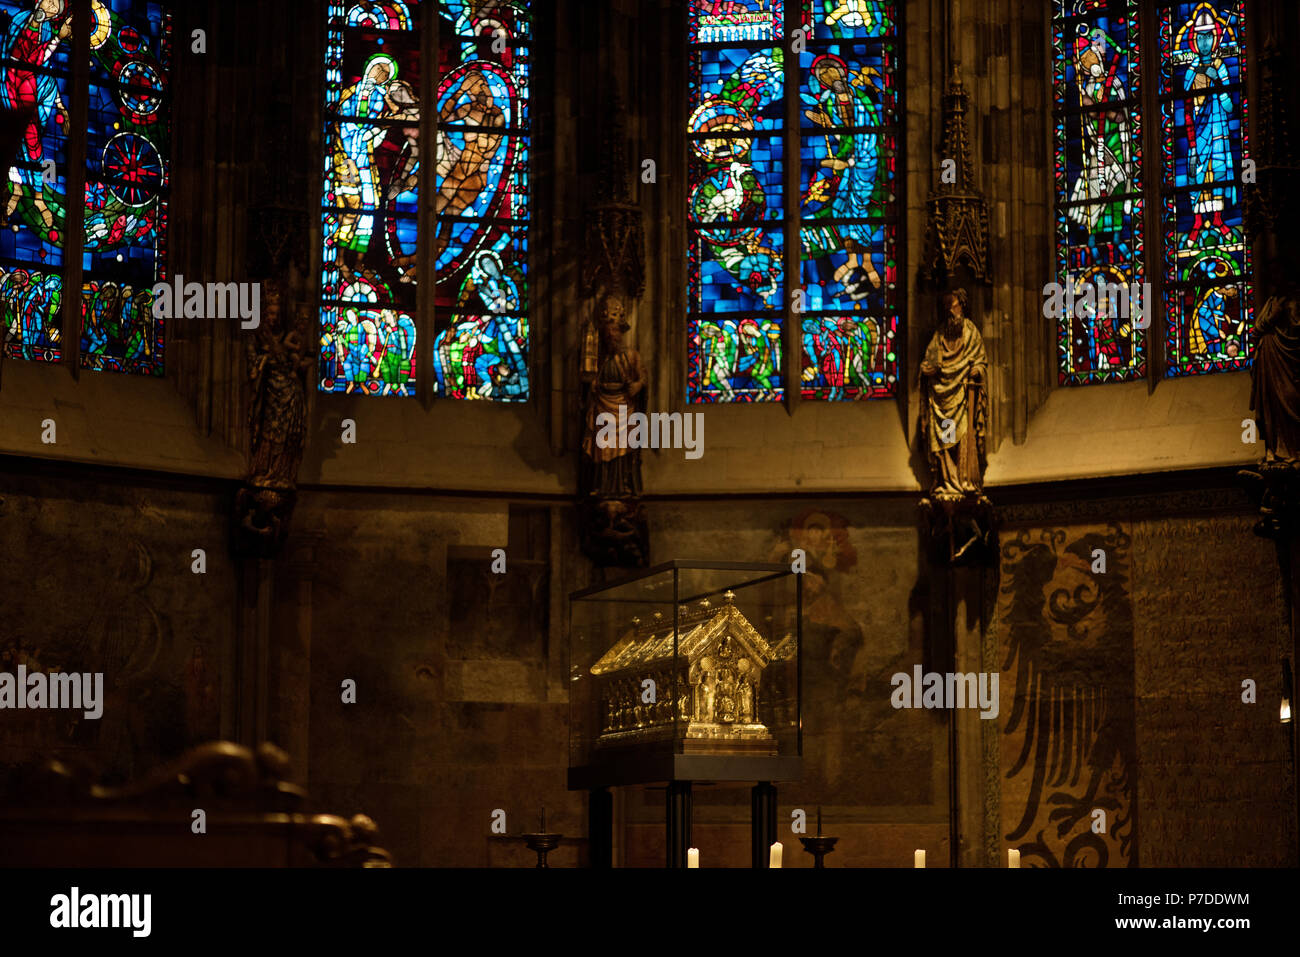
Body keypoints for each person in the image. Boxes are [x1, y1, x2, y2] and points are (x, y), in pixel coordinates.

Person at [920, 288, 988, 498]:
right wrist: (928, 369)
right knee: (945, 440)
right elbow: (927, 363)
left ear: (963, 307)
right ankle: (948, 481)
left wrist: (977, 369)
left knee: (961, 441)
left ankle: (963, 478)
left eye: (954, 306)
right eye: (947, 307)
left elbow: (980, 360)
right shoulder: (939, 336)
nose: (951, 312)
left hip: (962, 398)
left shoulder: (971, 333)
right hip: (943, 401)